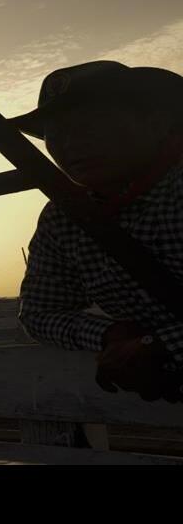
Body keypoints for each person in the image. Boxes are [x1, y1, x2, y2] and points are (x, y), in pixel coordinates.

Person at [12, 61, 183, 403]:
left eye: (91, 125)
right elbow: (39, 312)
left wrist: (164, 346)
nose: (70, 145)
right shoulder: (63, 217)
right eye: (54, 135)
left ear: (157, 122)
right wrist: (113, 334)